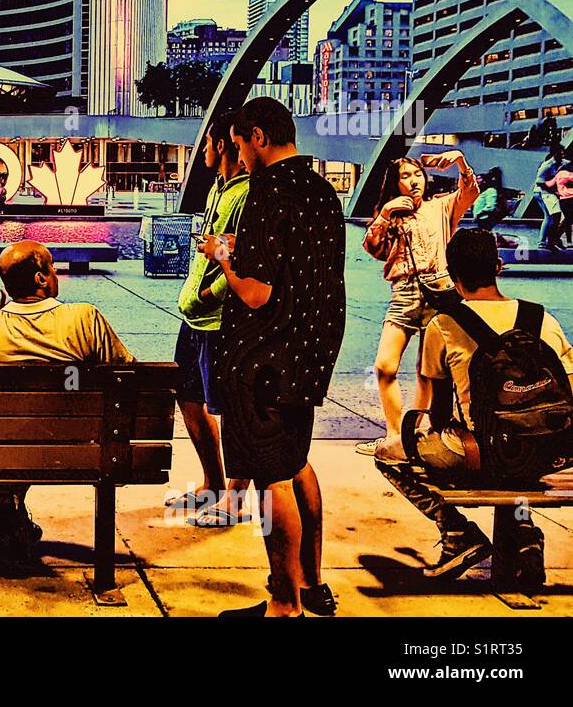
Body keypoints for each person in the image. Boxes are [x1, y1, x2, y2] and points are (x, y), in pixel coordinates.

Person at [199, 97, 345, 617]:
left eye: (239, 144)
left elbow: (256, 291)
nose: (238, 156)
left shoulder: (265, 190)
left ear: (257, 135)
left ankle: (284, 604)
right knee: (297, 462)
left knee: (271, 479)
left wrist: (221, 255)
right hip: (310, 350)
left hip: (262, 358)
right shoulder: (322, 190)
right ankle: (310, 584)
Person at [374, 229, 573, 586]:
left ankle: (456, 534)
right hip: (548, 452)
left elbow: (437, 413)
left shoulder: (444, 324)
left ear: (452, 276)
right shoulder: (542, 319)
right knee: (517, 453)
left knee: (389, 453)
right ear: (499, 266)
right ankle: (524, 530)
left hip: (485, 456)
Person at [0, 240, 133, 562]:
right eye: (53, 268)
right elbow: (126, 373)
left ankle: (10, 529)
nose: (56, 274)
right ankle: (14, 529)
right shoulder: (85, 318)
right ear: (40, 279)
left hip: (0, 450)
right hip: (80, 449)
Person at [357, 149, 479, 455]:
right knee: (384, 366)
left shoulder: (441, 206)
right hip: (405, 292)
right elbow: (373, 248)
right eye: (405, 176)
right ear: (394, 183)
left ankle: (416, 439)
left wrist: (460, 161)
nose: (414, 181)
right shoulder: (392, 213)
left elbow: (470, 192)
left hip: (440, 290)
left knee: (430, 373)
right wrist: (385, 215)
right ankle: (394, 434)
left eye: (417, 174)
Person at [172, 110, 253, 527]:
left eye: (206, 143)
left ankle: (236, 498)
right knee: (189, 399)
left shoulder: (245, 195)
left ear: (222, 145)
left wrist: (210, 292)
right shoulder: (218, 190)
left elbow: (244, 258)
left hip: (220, 319)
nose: (203, 150)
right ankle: (213, 482)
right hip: (195, 317)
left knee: (232, 408)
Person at [531, 150, 564, 251]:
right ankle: (543, 242)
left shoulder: (562, 163)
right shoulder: (547, 165)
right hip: (541, 192)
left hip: (545, 192)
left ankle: (550, 240)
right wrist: (555, 192)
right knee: (549, 217)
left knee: (551, 217)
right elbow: (540, 183)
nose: (563, 155)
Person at [553, 146, 573, 247]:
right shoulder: (566, 169)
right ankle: (555, 239)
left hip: (566, 197)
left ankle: (561, 240)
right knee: (569, 219)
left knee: (569, 219)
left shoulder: (565, 167)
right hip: (567, 197)